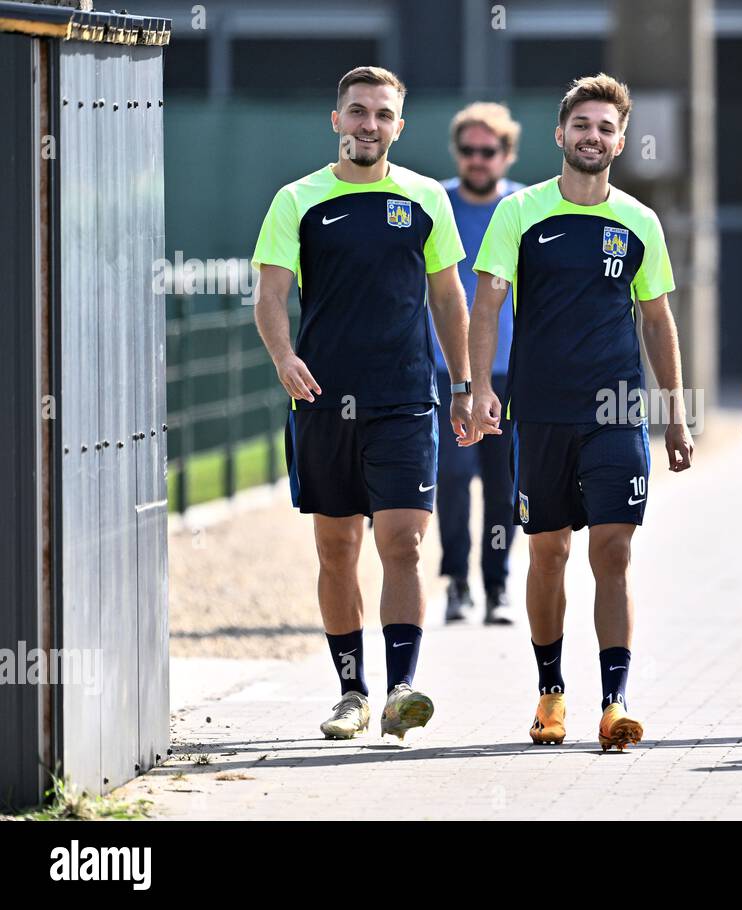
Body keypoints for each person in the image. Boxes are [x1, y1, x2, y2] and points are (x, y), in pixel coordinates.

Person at [464, 73, 694, 750]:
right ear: (559, 135)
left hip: (617, 407)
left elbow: (658, 321)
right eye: (582, 126)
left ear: (620, 141)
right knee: (548, 550)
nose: (593, 137)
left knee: (614, 548)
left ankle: (616, 701)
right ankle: (550, 692)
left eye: (605, 128)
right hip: (540, 410)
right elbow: (486, 304)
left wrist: (674, 413)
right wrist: (481, 388)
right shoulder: (520, 213)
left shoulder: (639, 221)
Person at [251, 66, 471, 741]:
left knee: (401, 541)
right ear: (336, 120)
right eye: (357, 112)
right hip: (323, 401)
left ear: (399, 126)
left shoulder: (426, 196)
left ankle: (402, 687)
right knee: (338, 545)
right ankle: (351, 692)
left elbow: (448, 296)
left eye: (382, 114)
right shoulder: (297, 199)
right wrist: (284, 358)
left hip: (405, 397)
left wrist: (462, 384)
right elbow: (270, 294)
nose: (368, 124)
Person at [436, 103, 525, 625]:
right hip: (448, 371)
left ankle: (496, 586)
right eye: (467, 150)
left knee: (504, 482)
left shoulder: (522, 207)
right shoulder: (437, 203)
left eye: (487, 151)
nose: (476, 160)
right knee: (451, 474)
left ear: (506, 154)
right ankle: (456, 583)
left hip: (509, 368)